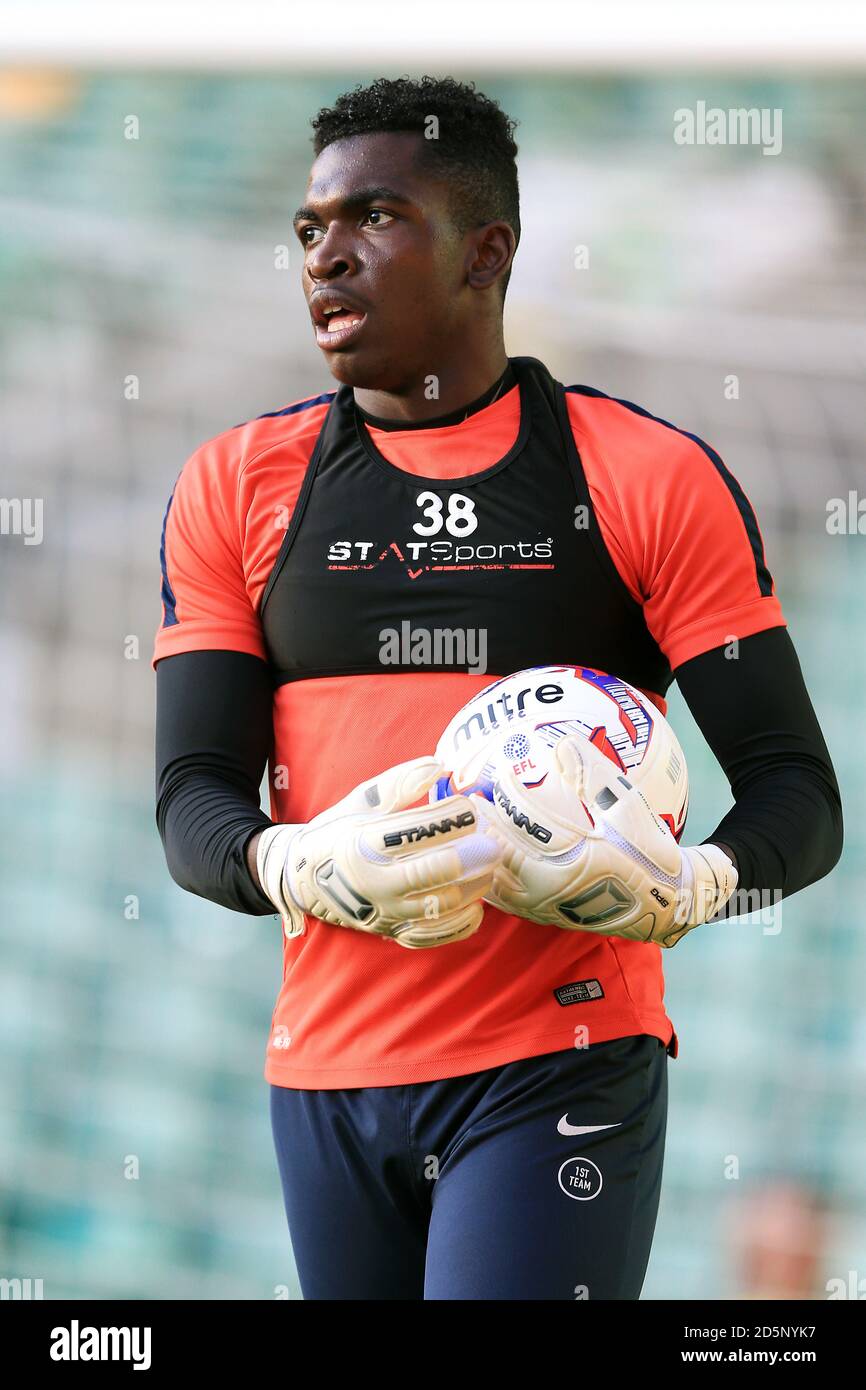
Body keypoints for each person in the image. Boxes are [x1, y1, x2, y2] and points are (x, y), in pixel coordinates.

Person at [154, 76, 842, 1300]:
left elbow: (797, 791)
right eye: (310, 228)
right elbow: (191, 799)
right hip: (325, 1076)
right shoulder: (235, 484)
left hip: (559, 1060)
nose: (326, 257)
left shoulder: (649, 475)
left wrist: (702, 882)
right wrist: (293, 863)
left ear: (487, 251)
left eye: (374, 217)